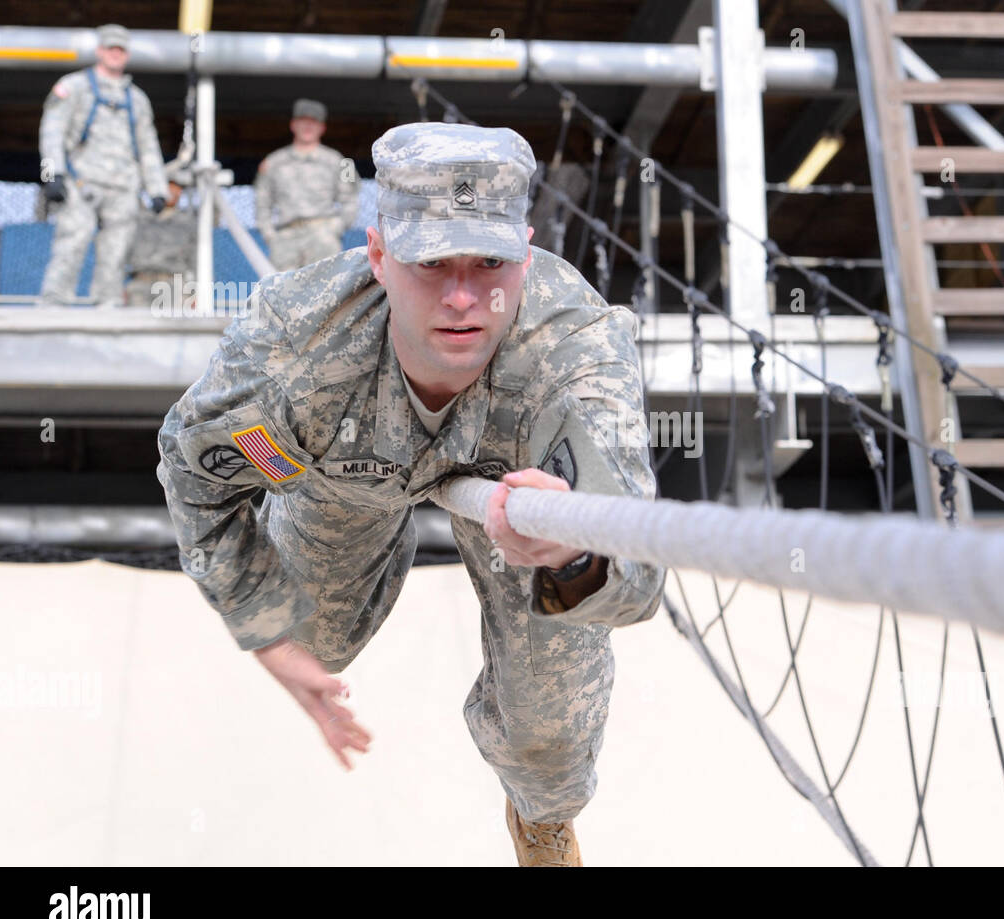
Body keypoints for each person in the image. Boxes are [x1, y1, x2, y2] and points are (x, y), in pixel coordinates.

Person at [157, 122, 665, 866]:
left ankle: (542, 817)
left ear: (526, 248)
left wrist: (572, 553)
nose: (462, 297)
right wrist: (264, 628)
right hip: (348, 473)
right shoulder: (293, 348)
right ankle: (364, 546)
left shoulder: (578, 349)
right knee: (315, 638)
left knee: (547, 741)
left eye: (490, 261)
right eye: (430, 262)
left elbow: (640, 573)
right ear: (379, 254)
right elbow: (192, 473)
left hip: (519, 488)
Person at [38, 24, 168, 305]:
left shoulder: (137, 99)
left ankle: (107, 310)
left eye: (120, 49)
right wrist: (52, 174)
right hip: (80, 182)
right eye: (110, 48)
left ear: (127, 54)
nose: (115, 54)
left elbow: (148, 146)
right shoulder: (73, 87)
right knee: (71, 243)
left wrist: (157, 189)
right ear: (99, 51)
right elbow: (52, 131)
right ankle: (52, 308)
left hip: (123, 188)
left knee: (116, 252)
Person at [254, 99, 359, 271]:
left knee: (326, 293)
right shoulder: (272, 163)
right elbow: (261, 202)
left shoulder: (340, 161)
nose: (308, 127)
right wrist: (271, 237)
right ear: (293, 125)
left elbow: (351, 200)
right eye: (303, 122)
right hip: (285, 240)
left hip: (323, 237)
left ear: (322, 128)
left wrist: (334, 230)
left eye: (314, 122)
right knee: (283, 294)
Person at [124, 160, 195, 309]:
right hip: (140, 283)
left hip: (173, 286)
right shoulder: (138, 218)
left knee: (175, 330)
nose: (173, 191)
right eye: (169, 185)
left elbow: (195, 260)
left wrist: (194, 293)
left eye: (178, 188)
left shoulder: (187, 223)